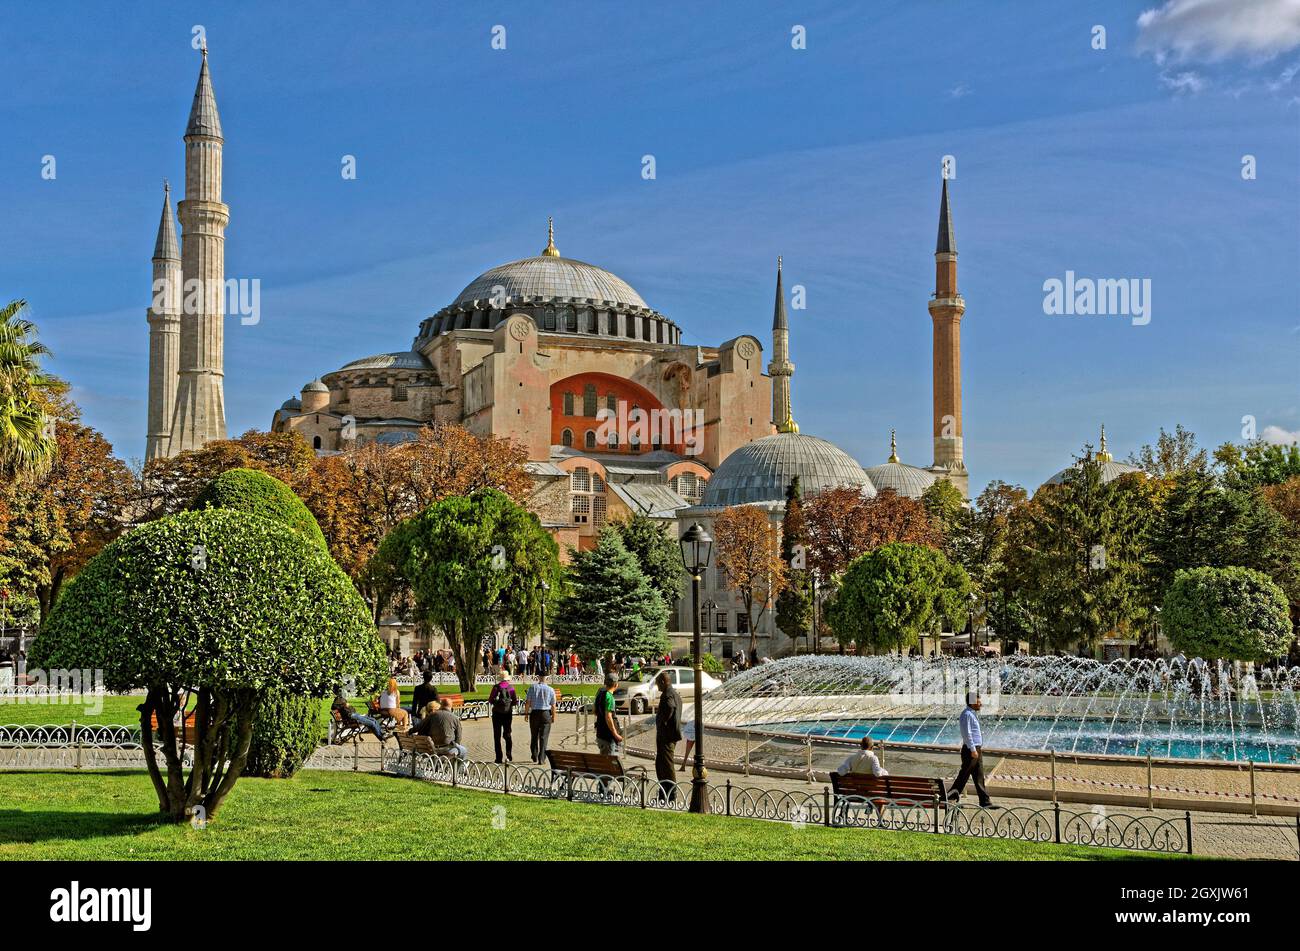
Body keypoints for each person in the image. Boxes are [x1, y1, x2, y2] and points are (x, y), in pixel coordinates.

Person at [949, 691, 995, 808]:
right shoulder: (966, 714)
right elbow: (967, 733)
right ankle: (950, 798)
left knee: (979, 776)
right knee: (964, 775)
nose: (981, 704)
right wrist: (973, 749)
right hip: (971, 750)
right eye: (979, 701)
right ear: (973, 702)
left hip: (976, 749)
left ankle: (985, 802)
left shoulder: (972, 713)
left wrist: (976, 749)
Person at [653, 670, 682, 800]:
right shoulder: (673, 693)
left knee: (666, 764)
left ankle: (671, 793)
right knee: (661, 763)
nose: (657, 686)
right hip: (668, 735)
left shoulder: (668, 694)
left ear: (663, 682)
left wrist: (663, 721)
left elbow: (670, 707)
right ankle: (664, 791)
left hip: (667, 736)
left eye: (658, 683)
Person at [525, 672, 557, 764]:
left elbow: (528, 702)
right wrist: (553, 716)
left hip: (534, 713)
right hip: (545, 714)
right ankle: (541, 758)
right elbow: (553, 705)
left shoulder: (532, 687)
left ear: (538, 677)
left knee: (534, 735)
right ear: (546, 678)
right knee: (544, 737)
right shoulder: (550, 689)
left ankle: (534, 755)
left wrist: (526, 713)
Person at [488, 668, 517, 763]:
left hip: (496, 714)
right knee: (508, 734)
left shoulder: (496, 687)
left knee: (497, 736)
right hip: (507, 714)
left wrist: (497, 703)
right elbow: (515, 701)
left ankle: (498, 757)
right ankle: (509, 755)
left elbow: (490, 700)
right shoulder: (511, 688)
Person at [593, 672, 624, 757]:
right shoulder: (609, 697)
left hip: (600, 733)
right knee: (609, 763)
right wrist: (615, 734)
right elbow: (608, 717)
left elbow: (594, 711)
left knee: (604, 761)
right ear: (616, 684)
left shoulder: (600, 693)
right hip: (608, 736)